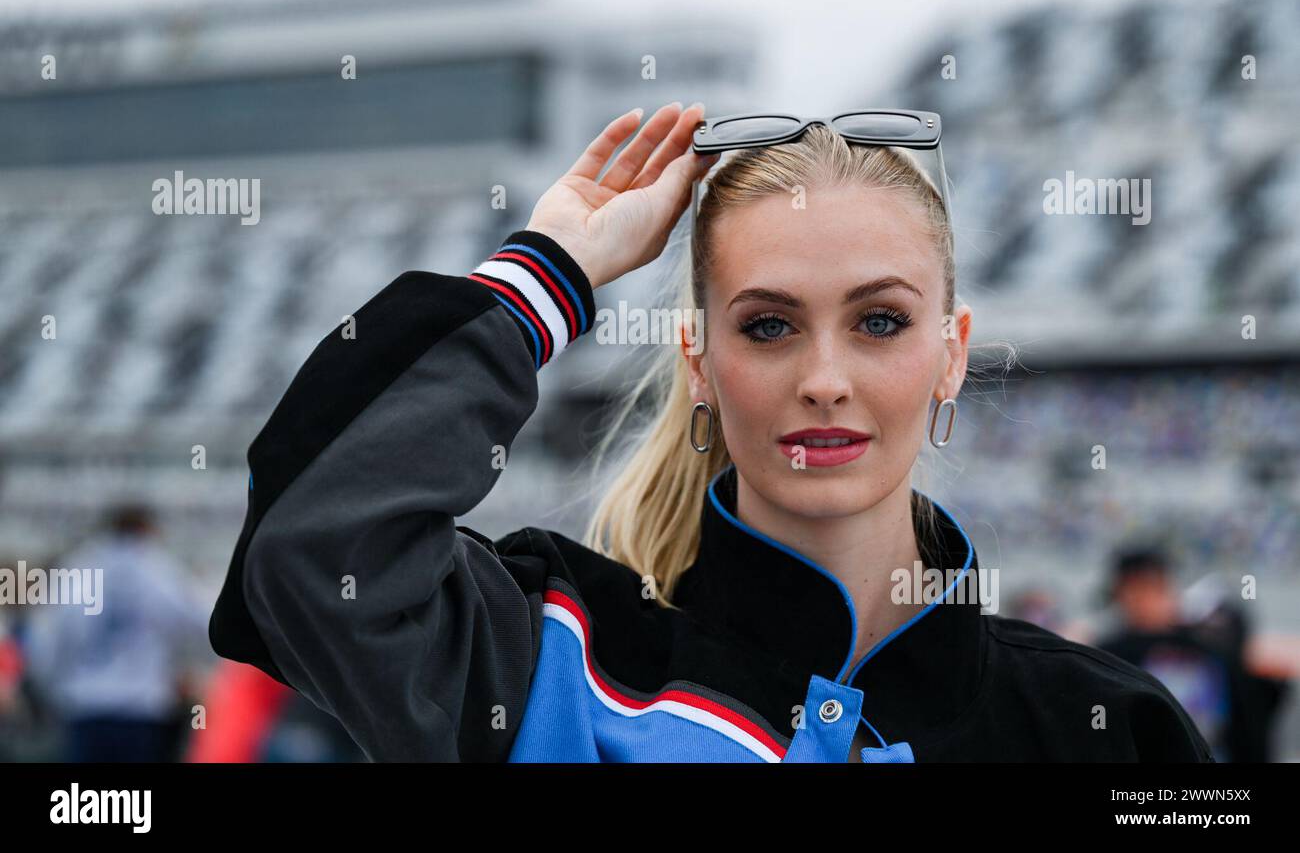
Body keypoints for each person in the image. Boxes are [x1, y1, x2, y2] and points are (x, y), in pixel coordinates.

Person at [210, 103, 1212, 762]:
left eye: (879, 321)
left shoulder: (1109, 728)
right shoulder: (552, 657)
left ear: (950, 352)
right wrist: (550, 268)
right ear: (699, 361)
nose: (824, 380)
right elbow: (310, 545)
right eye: (768, 325)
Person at [24, 504, 210, 762]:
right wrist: (185, 670)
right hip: (143, 711)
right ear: (147, 528)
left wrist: (53, 691)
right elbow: (203, 625)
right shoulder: (160, 569)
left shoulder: (80, 569)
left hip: (87, 707)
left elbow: (47, 640)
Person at [1096, 547, 1284, 762]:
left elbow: (1246, 718)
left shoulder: (1206, 647)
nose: (1142, 600)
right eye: (1135, 590)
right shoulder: (1110, 653)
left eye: (1152, 588)